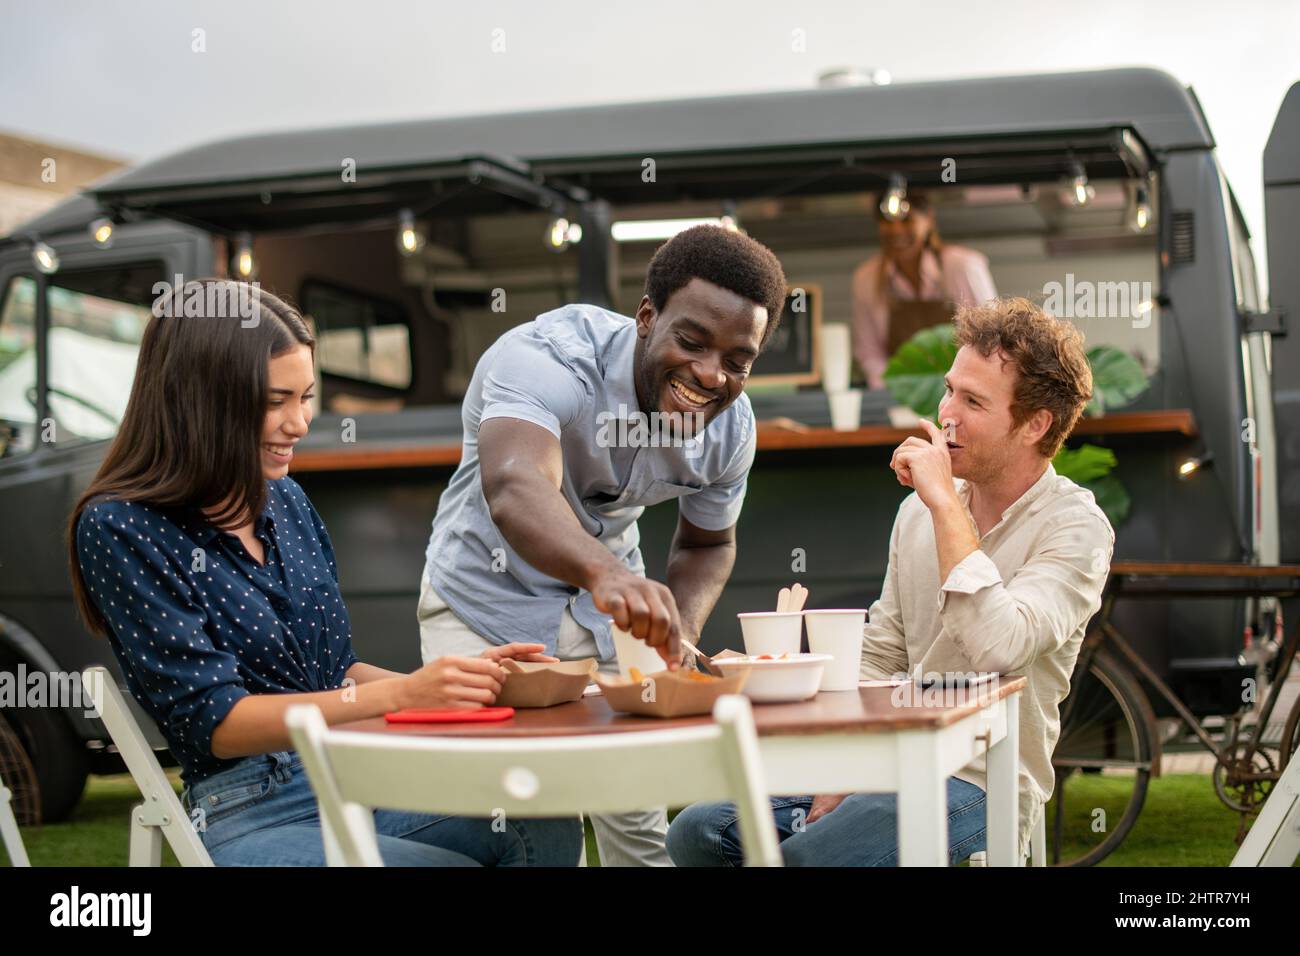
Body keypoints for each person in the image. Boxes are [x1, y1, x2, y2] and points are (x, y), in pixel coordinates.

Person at [68, 279, 583, 867]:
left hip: (350, 773)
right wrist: (404, 694)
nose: (300, 422)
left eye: (306, 396)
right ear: (199, 399)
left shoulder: (286, 500)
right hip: (244, 808)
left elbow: (332, 671)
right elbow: (217, 724)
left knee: (540, 814)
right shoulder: (120, 527)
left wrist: (462, 682)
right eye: (274, 401)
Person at [667, 296, 1113, 866]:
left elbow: (1000, 645)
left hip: (981, 781)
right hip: (893, 754)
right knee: (698, 831)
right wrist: (845, 761)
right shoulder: (918, 515)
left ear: (1035, 425)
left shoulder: (1075, 528)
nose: (945, 412)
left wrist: (945, 509)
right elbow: (882, 654)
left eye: (972, 400)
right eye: (950, 388)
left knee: (809, 860)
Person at [419, 224, 788, 865]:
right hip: (485, 604)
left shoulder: (733, 429)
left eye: (737, 361)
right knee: (523, 820)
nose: (710, 374)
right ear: (647, 316)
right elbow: (515, 485)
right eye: (693, 342)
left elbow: (707, 544)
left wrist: (680, 632)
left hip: (608, 614)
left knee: (636, 816)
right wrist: (606, 575)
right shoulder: (547, 358)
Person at [852, 191, 997, 390]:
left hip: (965, 393)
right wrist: (896, 391)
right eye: (886, 222)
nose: (896, 230)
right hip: (901, 398)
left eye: (907, 220)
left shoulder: (962, 266)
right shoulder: (866, 279)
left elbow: (992, 338)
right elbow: (869, 353)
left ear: (929, 219)